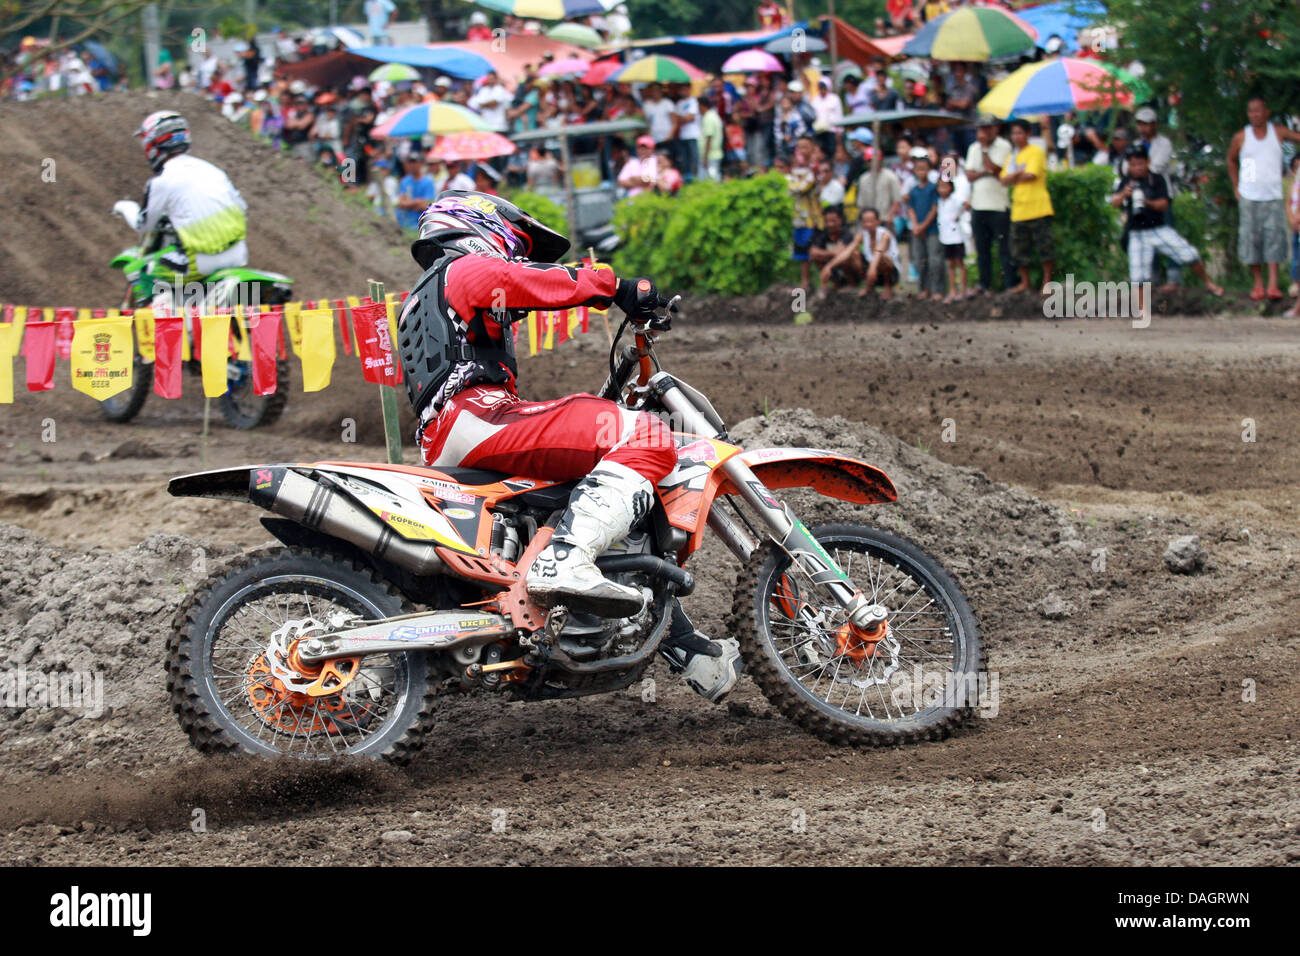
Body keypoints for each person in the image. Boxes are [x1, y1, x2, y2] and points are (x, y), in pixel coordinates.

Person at [399, 192, 743, 700]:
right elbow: (532, 282)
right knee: (647, 436)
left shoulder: (428, 294)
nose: (517, 256)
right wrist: (617, 286)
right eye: (515, 243)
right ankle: (563, 563)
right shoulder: (462, 269)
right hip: (477, 417)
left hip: (460, 428)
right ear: (478, 227)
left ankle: (684, 645)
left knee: (601, 487)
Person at [132, 111, 248, 284]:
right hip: (239, 254)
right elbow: (242, 208)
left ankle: (163, 310)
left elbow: (144, 225)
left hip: (201, 262)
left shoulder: (161, 181)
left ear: (153, 145)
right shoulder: (212, 170)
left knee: (147, 270)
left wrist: (124, 207)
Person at [1109, 145, 1222, 311]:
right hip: (1136, 231)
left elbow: (1164, 204)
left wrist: (1147, 202)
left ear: (1147, 162)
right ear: (1129, 165)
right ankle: (1142, 309)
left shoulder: (1157, 179)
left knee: (1189, 254)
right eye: (1133, 164)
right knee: (1138, 274)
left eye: (1140, 163)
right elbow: (1114, 203)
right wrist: (1124, 194)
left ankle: (1208, 283)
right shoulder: (1126, 182)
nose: (1137, 168)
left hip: (1158, 228)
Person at [1227, 95, 1300, 301]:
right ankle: (1257, 284)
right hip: (1249, 196)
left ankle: (1273, 284)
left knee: (1274, 238)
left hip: (1273, 196)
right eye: (1251, 111)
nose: (1255, 115)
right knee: (1251, 239)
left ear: (1266, 112)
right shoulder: (1242, 136)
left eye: (1258, 110)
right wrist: (1236, 186)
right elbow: (1231, 161)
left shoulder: (1278, 132)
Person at [1001, 118, 1054, 294]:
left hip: (1038, 207)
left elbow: (1031, 175)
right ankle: (1025, 282)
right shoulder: (1012, 156)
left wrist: (1013, 176)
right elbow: (1003, 179)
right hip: (1019, 209)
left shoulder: (1036, 151)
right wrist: (1018, 173)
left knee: (1044, 247)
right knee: (1018, 250)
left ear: (1028, 134)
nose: (1016, 137)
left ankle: (1047, 281)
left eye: (1019, 133)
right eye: (1013, 133)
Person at [964, 114, 1014, 294]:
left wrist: (985, 151)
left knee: (1004, 249)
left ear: (995, 129)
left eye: (986, 128)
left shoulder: (1004, 146)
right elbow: (969, 174)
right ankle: (984, 285)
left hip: (999, 205)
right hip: (978, 205)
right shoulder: (973, 148)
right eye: (980, 129)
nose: (982, 133)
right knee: (982, 249)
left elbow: (996, 170)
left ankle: (1010, 285)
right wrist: (985, 171)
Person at [906, 154, 944, 299]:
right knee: (919, 260)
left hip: (932, 229)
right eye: (918, 169)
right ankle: (924, 288)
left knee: (935, 260)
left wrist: (923, 226)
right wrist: (916, 226)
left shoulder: (933, 189)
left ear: (929, 170)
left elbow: (934, 208)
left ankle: (937, 290)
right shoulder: (913, 191)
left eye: (924, 169)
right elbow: (910, 209)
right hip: (917, 231)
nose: (921, 172)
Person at [396, 151, 435, 230]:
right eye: (410, 162)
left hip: (421, 223)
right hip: (404, 222)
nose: (412, 165)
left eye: (415, 162)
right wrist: (417, 201)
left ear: (421, 164)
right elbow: (401, 203)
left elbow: (426, 205)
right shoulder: (405, 181)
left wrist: (408, 203)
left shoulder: (428, 182)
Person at [698, 93, 724, 182]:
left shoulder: (709, 117)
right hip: (712, 154)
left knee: (711, 180)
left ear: (702, 106)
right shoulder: (712, 116)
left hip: (710, 155)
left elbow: (709, 138)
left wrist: (705, 157)